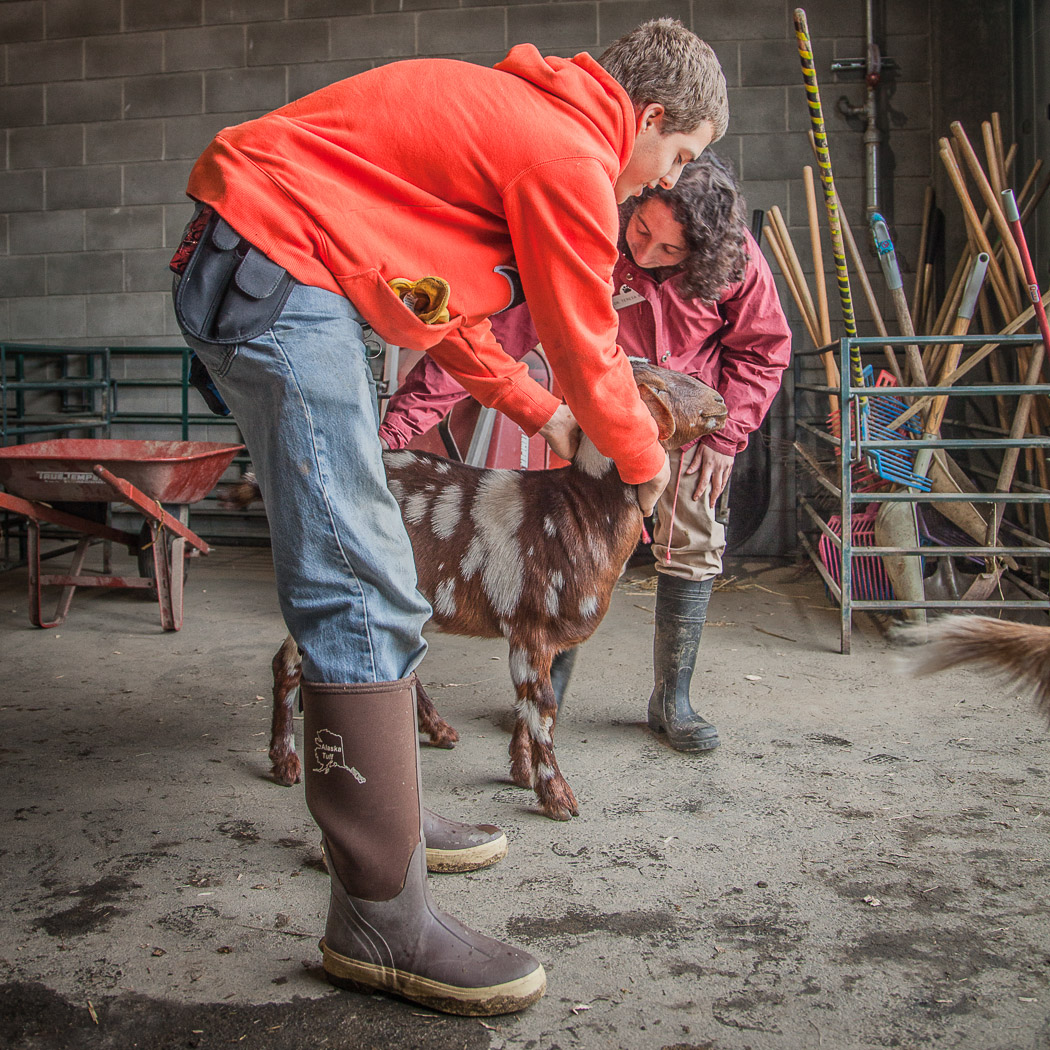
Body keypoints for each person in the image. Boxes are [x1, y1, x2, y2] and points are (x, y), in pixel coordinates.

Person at [170, 19, 729, 1016]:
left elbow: (443, 312)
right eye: (678, 157)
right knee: (366, 575)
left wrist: (544, 417)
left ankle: (386, 817)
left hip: (276, 261)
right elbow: (590, 345)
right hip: (276, 268)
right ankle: (380, 920)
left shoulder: (522, 133)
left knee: (377, 558)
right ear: (649, 119)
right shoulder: (567, 153)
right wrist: (641, 472)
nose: (664, 182)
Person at [380, 152, 791, 754]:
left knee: (695, 540)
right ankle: (550, 683)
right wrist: (396, 430)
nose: (646, 255)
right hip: (596, 421)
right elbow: (494, 334)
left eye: (669, 251)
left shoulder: (738, 263)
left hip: (687, 427)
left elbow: (762, 349)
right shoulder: (589, 242)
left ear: (703, 254)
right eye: (642, 232)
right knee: (562, 546)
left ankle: (672, 699)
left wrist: (727, 436)